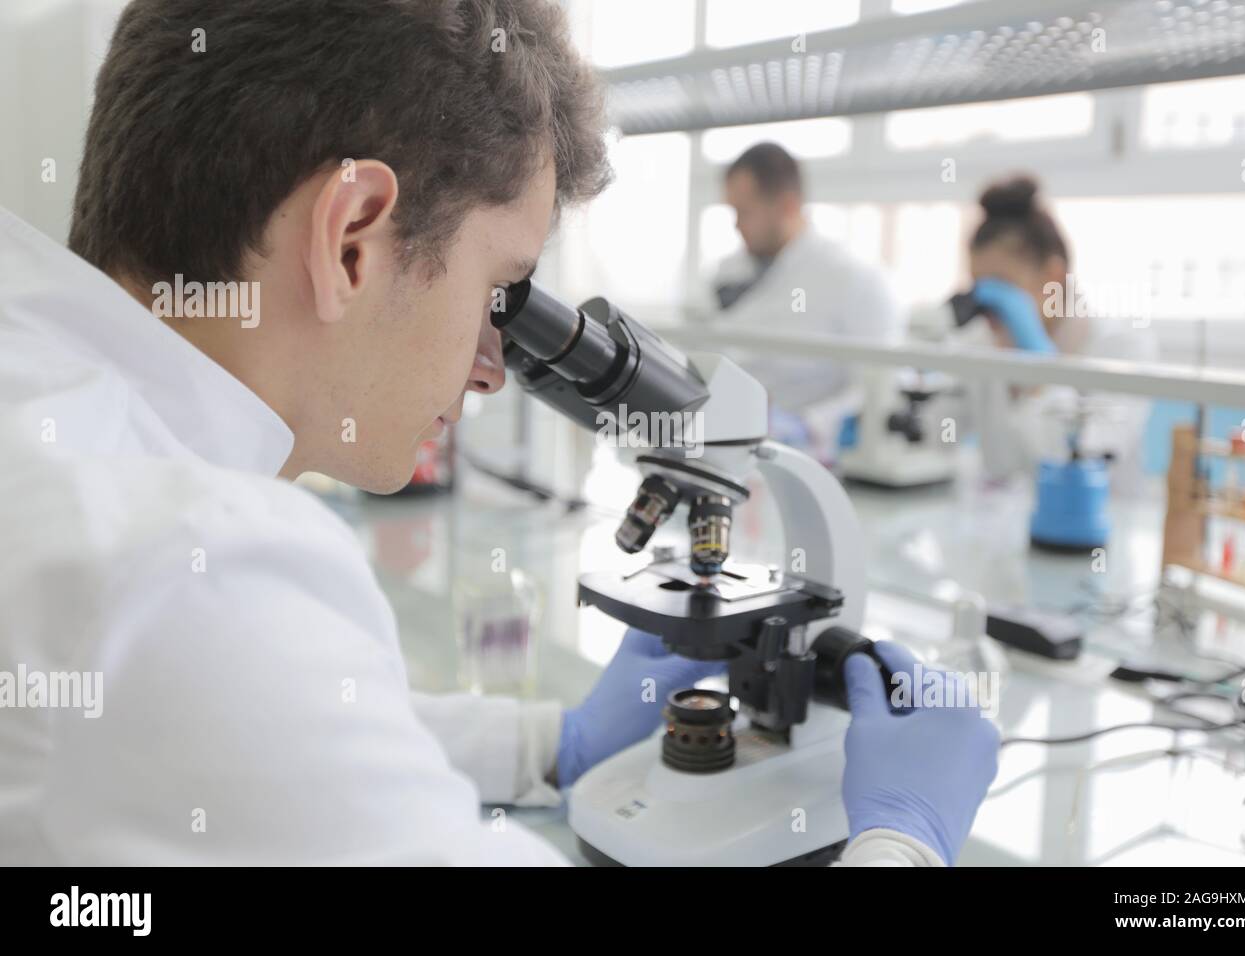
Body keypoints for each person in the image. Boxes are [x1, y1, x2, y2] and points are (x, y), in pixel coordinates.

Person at [0, 0, 997, 866]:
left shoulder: (44, 387)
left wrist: (547, 745)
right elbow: (222, 671)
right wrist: (901, 837)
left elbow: (262, 732)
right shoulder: (186, 571)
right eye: (498, 291)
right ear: (351, 238)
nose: (491, 366)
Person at [913, 176, 1157, 494]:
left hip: (1097, 534)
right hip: (1004, 530)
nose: (986, 304)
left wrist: (1040, 374)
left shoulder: (1122, 347)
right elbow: (934, 437)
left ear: (1053, 276)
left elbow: (1080, 459)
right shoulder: (982, 342)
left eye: (1001, 284)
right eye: (979, 285)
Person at [697, 142, 904, 460]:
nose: (736, 225)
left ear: (787, 206)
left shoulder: (855, 280)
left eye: (744, 212)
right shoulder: (728, 270)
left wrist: (807, 425)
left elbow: (876, 388)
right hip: (726, 446)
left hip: (811, 456)